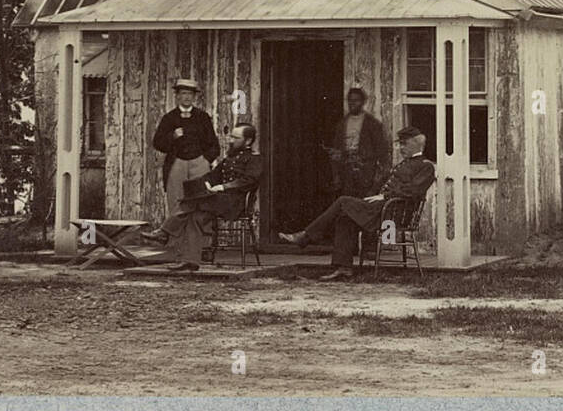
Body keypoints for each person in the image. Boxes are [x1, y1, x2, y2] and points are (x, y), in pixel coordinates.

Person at [280, 126, 435, 280]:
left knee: (342, 201)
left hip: (394, 216)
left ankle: (305, 236)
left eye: (404, 144)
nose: (401, 148)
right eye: (400, 144)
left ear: (417, 143)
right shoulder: (404, 163)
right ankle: (344, 268)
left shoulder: (426, 166)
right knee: (344, 218)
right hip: (383, 209)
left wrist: (385, 196)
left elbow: (414, 191)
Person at [142, 124, 263, 271]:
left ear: (248, 141)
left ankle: (164, 232)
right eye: (231, 136)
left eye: (235, 138)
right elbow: (212, 176)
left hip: (234, 205)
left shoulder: (254, 159)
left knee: (194, 202)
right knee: (196, 217)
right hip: (217, 202)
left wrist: (224, 186)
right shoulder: (229, 158)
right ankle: (190, 261)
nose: (231, 140)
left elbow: (250, 180)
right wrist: (203, 183)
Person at [152, 78, 220, 228]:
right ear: (177, 96)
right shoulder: (169, 118)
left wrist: (205, 160)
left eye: (190, 94)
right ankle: (176, 243)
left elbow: (214, 145)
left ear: (194, 97)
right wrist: (172, 136)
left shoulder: (203, 117)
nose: (187, 97)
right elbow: (157, 143)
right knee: (176, 202)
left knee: (201, 202)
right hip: (177, 163)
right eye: (183, 93)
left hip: (199, 164)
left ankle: (201, 243)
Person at [325, 87, 389, 198]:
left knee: (364, 205)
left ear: (363, 102)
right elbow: (336, 152)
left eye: (356, 100)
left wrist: (376, 183)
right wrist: (336, 176)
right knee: (347, 205)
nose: (352, 103)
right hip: (346, 174)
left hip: (366, 174)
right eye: (350, 100)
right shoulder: (342, 124)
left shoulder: (372, 124)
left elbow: (382, 154)